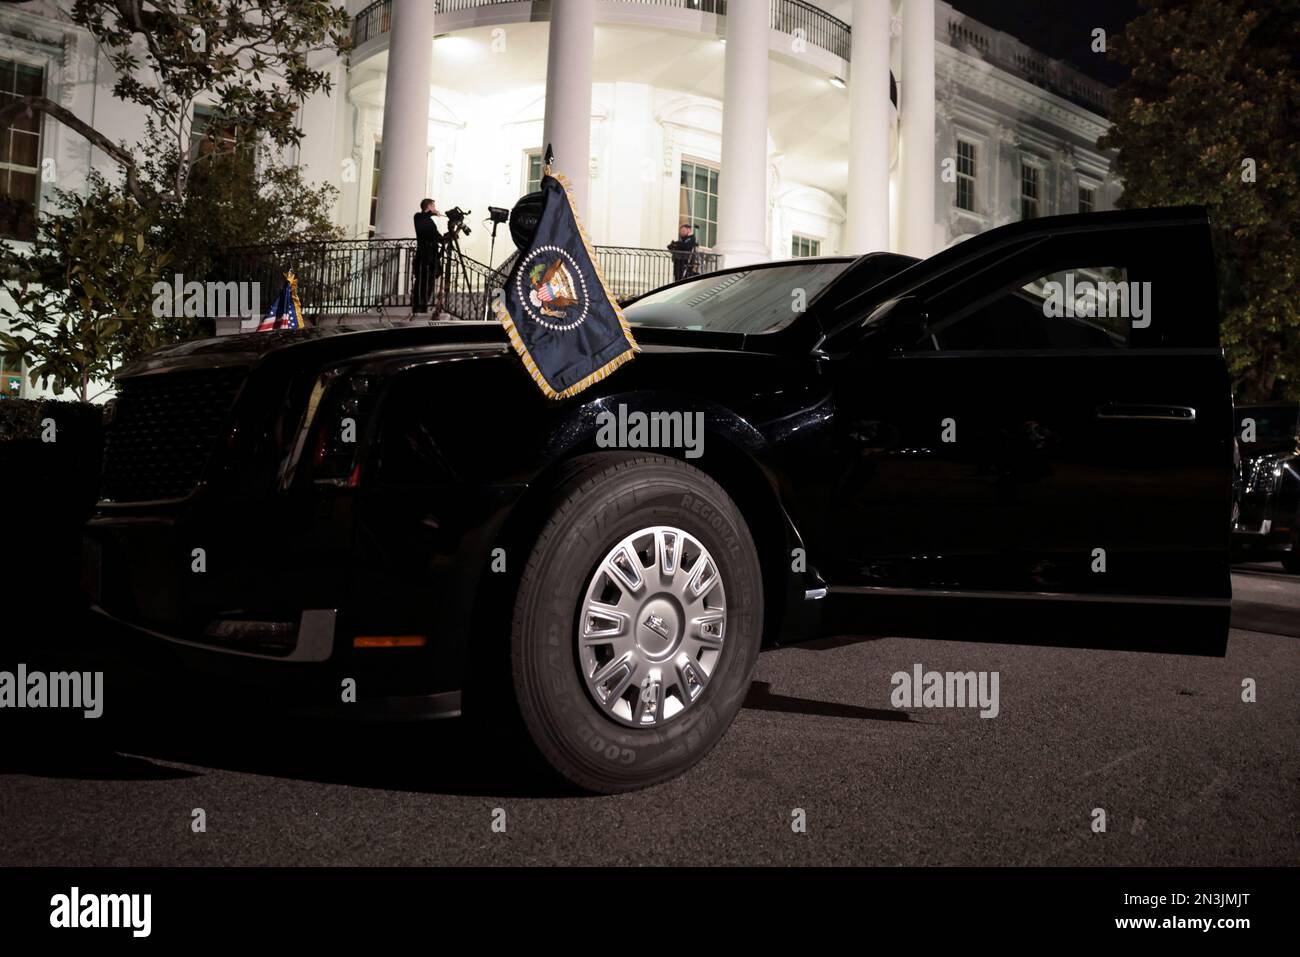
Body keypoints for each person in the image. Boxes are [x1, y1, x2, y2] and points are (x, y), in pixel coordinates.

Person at [412, 198, 443, 314]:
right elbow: (425, 228)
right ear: (429, 206)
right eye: (433, 206)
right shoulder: (419, 217)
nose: (435, 209)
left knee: (430, 282)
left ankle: (424, 305)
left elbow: (436, 235)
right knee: (421, 281)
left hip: (432, 256)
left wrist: (446, 238)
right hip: (424, 256)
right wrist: (433, 213)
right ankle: (418, 306)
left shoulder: (430, 221)